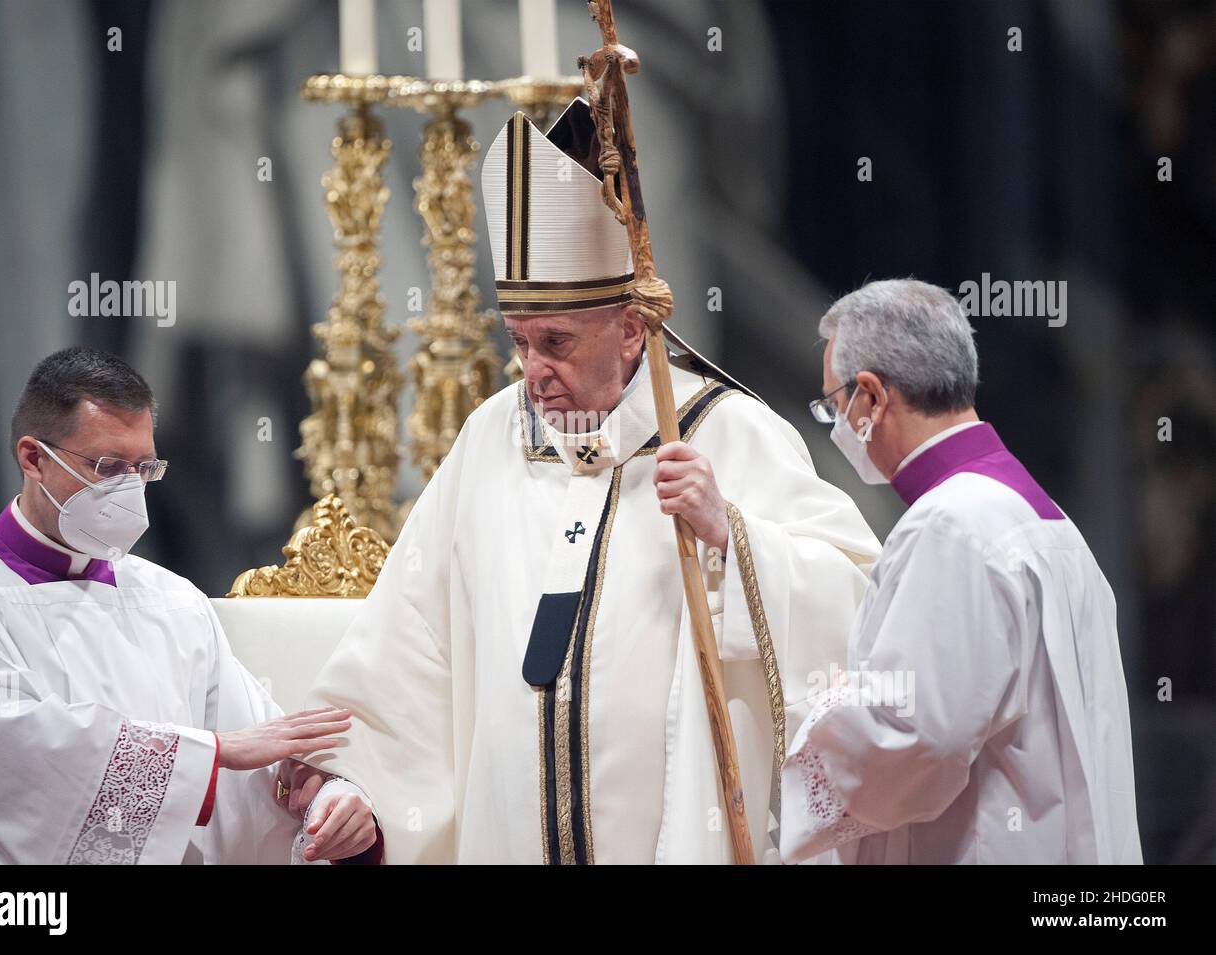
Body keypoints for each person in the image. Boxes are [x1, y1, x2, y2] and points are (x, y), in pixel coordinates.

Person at [297, 100, 881, 864]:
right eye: (521, 342)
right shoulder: (491, 437)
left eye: (557, 342)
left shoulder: (725, 432)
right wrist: (357, 786)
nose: (534, 374)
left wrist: (732, 536)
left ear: (632, 329)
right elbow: (413, 641)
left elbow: (858, 601)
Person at [0, 346, 357, 864]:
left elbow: (266, 746)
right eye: (108, 466)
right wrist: (208, 754)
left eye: (144, 467)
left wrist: (328, 797)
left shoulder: (172, 599)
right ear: (33, 458)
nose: (130, 487)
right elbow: (7, 756)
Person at [779, 278, 1142, 863]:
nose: (838, 425)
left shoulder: (950, 526)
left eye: (834, 405)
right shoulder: (1042, 518)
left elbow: (916, 739)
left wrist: (804, 724)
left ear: (869, 397)